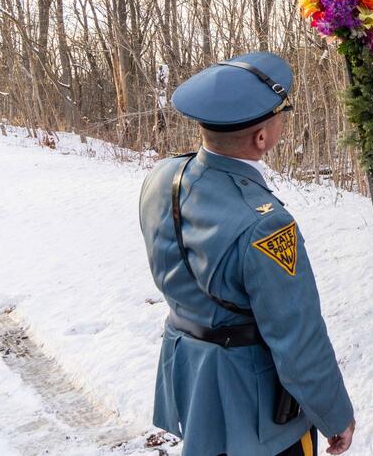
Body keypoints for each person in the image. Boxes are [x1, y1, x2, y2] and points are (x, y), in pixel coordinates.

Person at [139, 52, 355, 456]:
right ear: (261, 137)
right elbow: (297, 338)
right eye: (280, 117)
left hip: (193, 377)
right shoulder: (266, 224)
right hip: (251, 407)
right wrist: (335, 414)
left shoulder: (163, 177)